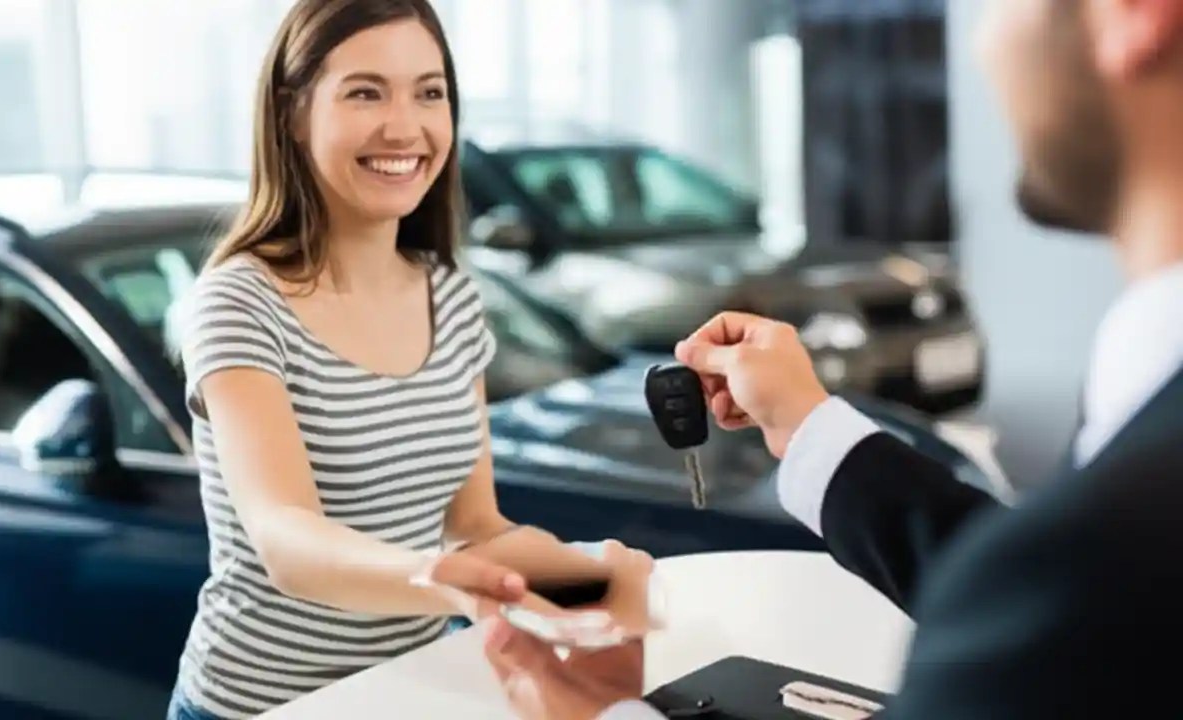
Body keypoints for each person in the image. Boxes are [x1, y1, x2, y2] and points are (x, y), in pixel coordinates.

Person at [481, 0, 1183, 717]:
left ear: (1132, 14)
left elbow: (1059, 611)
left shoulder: (1122, 539)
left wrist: (602, 713)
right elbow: (1044, 597)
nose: (981, 44)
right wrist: (807, 426)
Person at [165, 1, 650, 718]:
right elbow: (287, 539)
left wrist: (584, 574)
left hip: (402, 699)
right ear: (292, 113)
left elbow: (477, 524)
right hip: (259, 709)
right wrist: (448, 581)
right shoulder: (239, 301)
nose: (405, 125)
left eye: (429, 92)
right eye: (366, 92)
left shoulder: (451, 294)